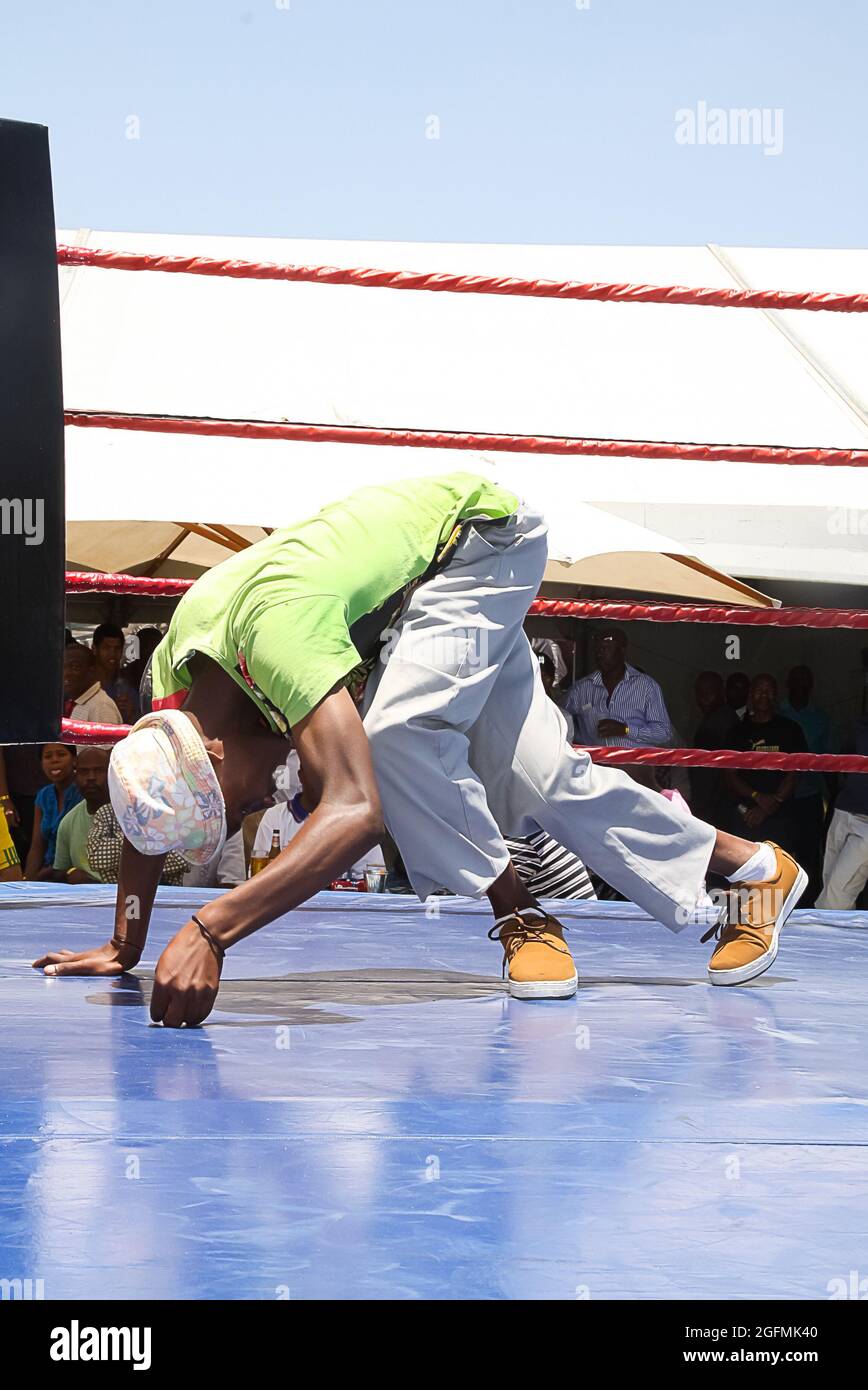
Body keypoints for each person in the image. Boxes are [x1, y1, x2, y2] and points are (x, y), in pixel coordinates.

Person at [33, 472, 806, 1023]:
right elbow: (150, 807)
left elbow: (359, 811)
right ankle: (755, 871)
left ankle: (519, 914)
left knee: (393, 739)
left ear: (209, 742)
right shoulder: (174, 684)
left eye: (229, 799)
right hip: (419, 591)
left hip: (478, 546)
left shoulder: (278, 639)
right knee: (541, 777)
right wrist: (124, 940)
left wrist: (211, 928)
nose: (247, 806)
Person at [721, 674, 807, 860]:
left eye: (769, 691)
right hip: (746, 815)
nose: (764, 695)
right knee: (745, 873)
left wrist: (773, 803)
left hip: (781, 814)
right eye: (759, 691)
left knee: (780, 872)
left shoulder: (790, 729)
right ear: (751, 695)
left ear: (776, 695)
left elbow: (795, 773)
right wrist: (757, 797)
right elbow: (729, 775)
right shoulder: (737, 732)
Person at [780, 664, 832, 904]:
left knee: (810, 854)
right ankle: (780, 903)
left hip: (810, 794)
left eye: (805, 680)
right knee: (779, 851)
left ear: (811, 685)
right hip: (780, 796)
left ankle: (807, 905)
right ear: (788, 684)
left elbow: (831, 758)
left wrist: (833, 797)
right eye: (796, 679)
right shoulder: (778, 712)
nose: (801, 685)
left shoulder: (820, 717)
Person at [816, 717, 868, 910]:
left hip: (866, 826)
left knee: (838, 892)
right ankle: (844, 938)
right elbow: (843, 760)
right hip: (843, 810)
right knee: (831, 886)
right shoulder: (861, 726)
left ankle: (821, 937)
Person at [49, 747, 111, 884]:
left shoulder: (131, 816)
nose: (91, 778)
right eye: (84, 772)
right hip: (86, 900)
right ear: (75, 777)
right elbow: (58, 872)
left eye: (99, 771)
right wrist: (71, 873)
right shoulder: (68, 823)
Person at [24, 744, 83, 879]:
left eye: (61, 754)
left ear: (74, 759)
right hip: (46, 870)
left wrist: (43, 875)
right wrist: (28, 880)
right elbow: (37, 845)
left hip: (74, 871)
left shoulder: (83, 792)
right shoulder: (43, 795)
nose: (54, 760)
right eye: (47, 756)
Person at [691, 671, 740, 826]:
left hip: (716, 803)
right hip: (714, 802)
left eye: (710, 691)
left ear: (720, 692)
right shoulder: (713, 719)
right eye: (700, 692)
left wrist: (700, 805)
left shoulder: (721, 721)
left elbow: (711, 773)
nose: (704, 697)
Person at [64, 642, 123, 729]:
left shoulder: (102, 707)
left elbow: (107, 742)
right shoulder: (75, 702)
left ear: (91, 671)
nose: (66, 673)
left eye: (75, 667)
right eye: (63, 667)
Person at [91, 623, 139, 724]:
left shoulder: (127, 688)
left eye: (117, 648)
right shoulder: (84, 684)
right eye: (106, 648)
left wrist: (130, 713)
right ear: (95, 649)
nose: (112, 653)